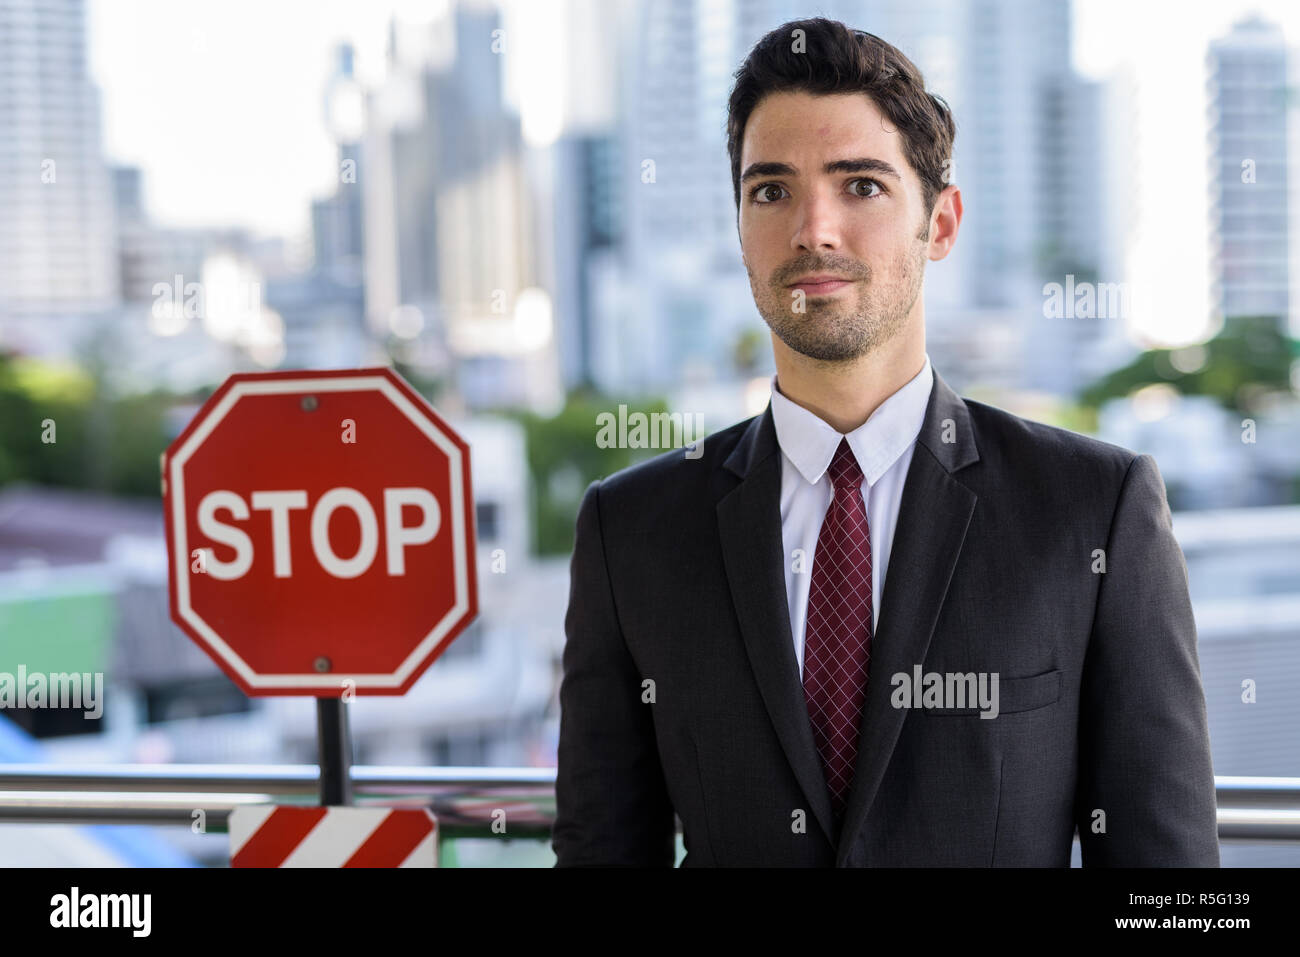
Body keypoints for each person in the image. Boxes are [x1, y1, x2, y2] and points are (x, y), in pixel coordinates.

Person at [552, 17, 1219, 867]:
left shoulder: (1095, 508)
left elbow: (1171, 883)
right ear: (741, 227)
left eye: (860, 185)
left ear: (940, 224)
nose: (813, 230)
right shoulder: (630, 530)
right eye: (771, 190)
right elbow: (602, 850)